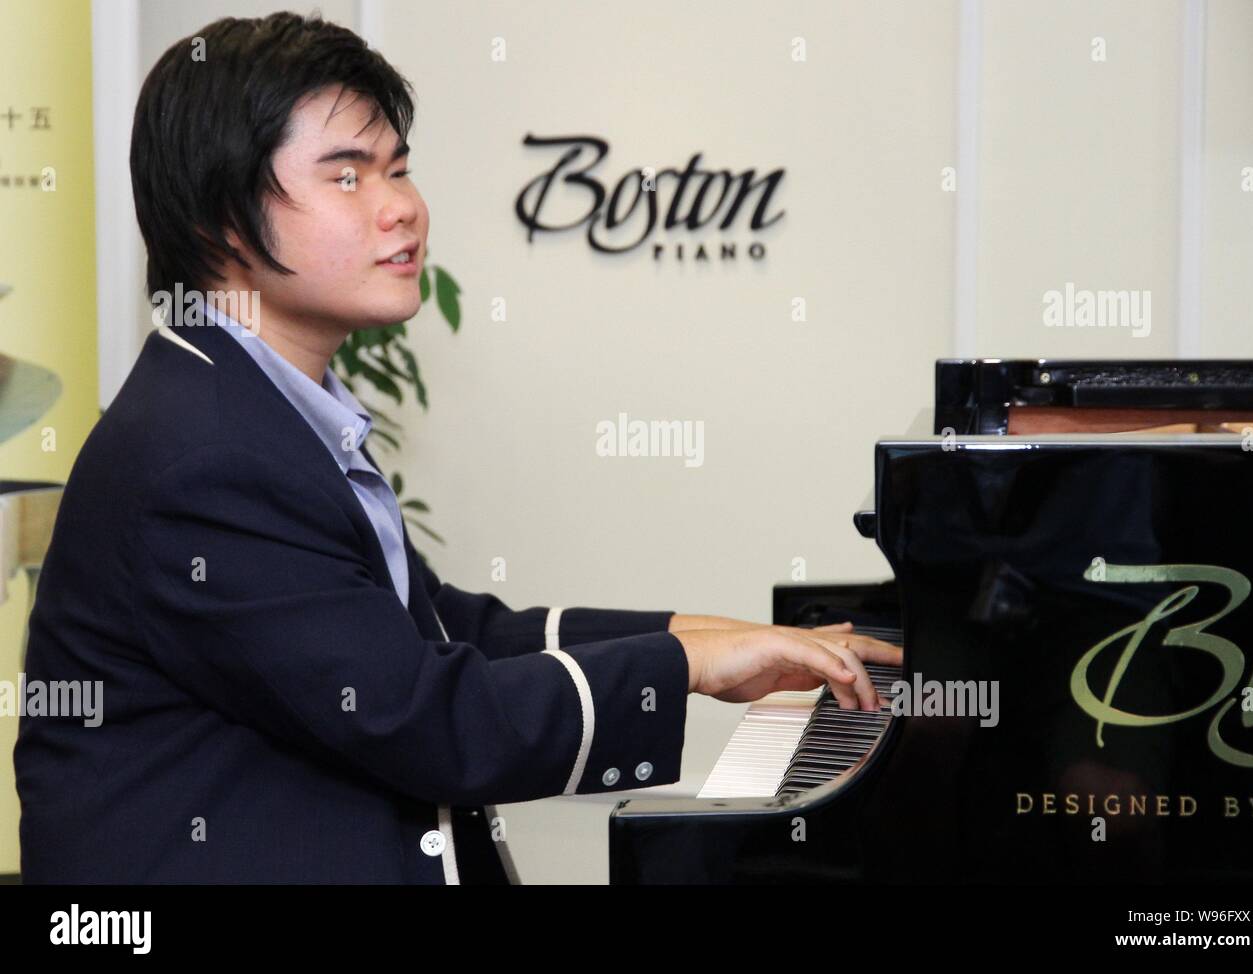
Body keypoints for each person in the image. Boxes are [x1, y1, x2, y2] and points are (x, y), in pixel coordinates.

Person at [13, 11, 900, 884]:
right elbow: (425, 717)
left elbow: (446, 633)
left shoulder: (256, 405)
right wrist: (690, 668)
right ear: (224, 218)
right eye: (349, 176)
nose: (403, 208)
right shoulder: (201, 457)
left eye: (399, 168)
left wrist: (707, 636)